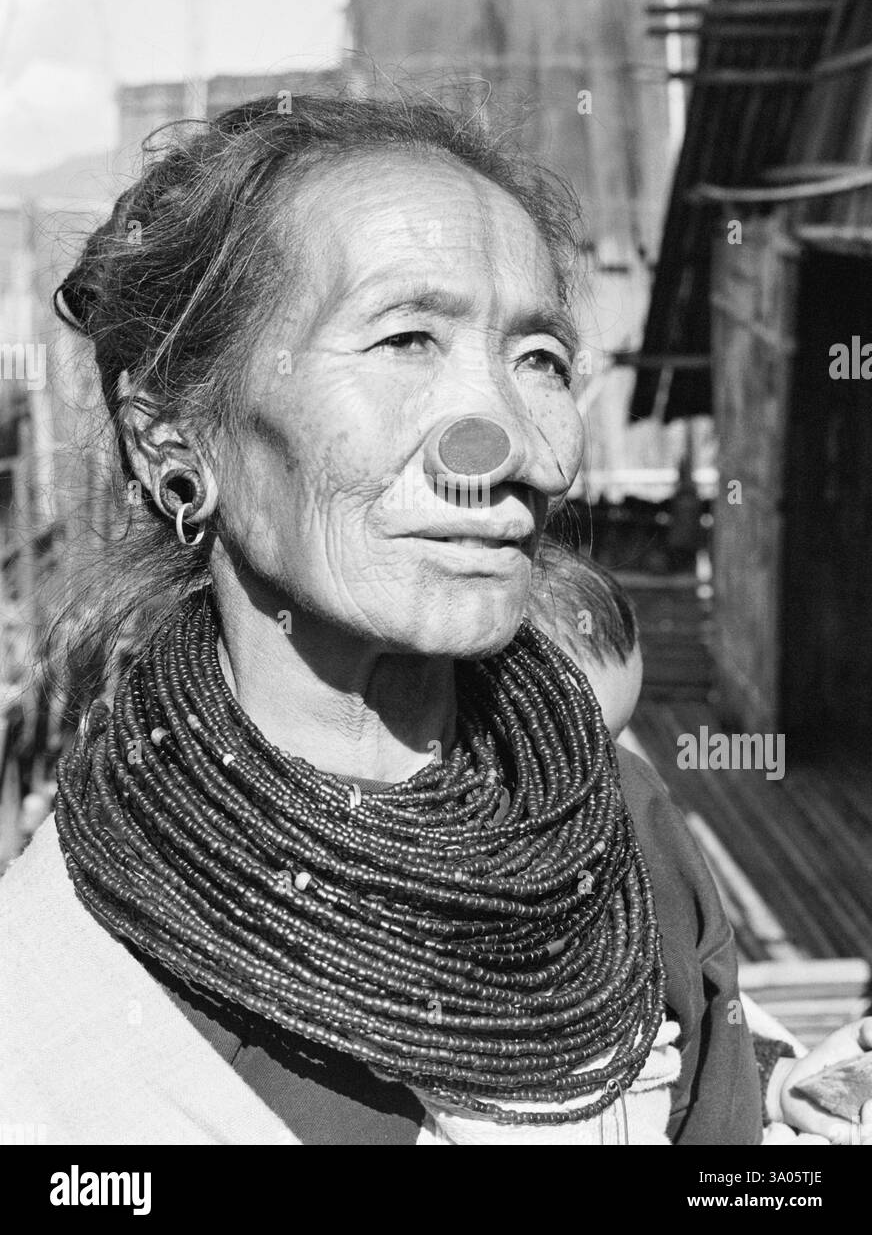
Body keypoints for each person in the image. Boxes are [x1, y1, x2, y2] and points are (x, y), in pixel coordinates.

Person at [1, 92, 763, 1145]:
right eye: (406, 339)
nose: (509, 446)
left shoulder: (615, 831)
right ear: (174, 439)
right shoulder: (62, 1003)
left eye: (537, 358)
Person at [526, 535, 872, 1146]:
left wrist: (775, 1079)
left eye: (617, 742)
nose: (608, 780)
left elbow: (700, 1020)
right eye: (568, 750)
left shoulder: (642, 843)